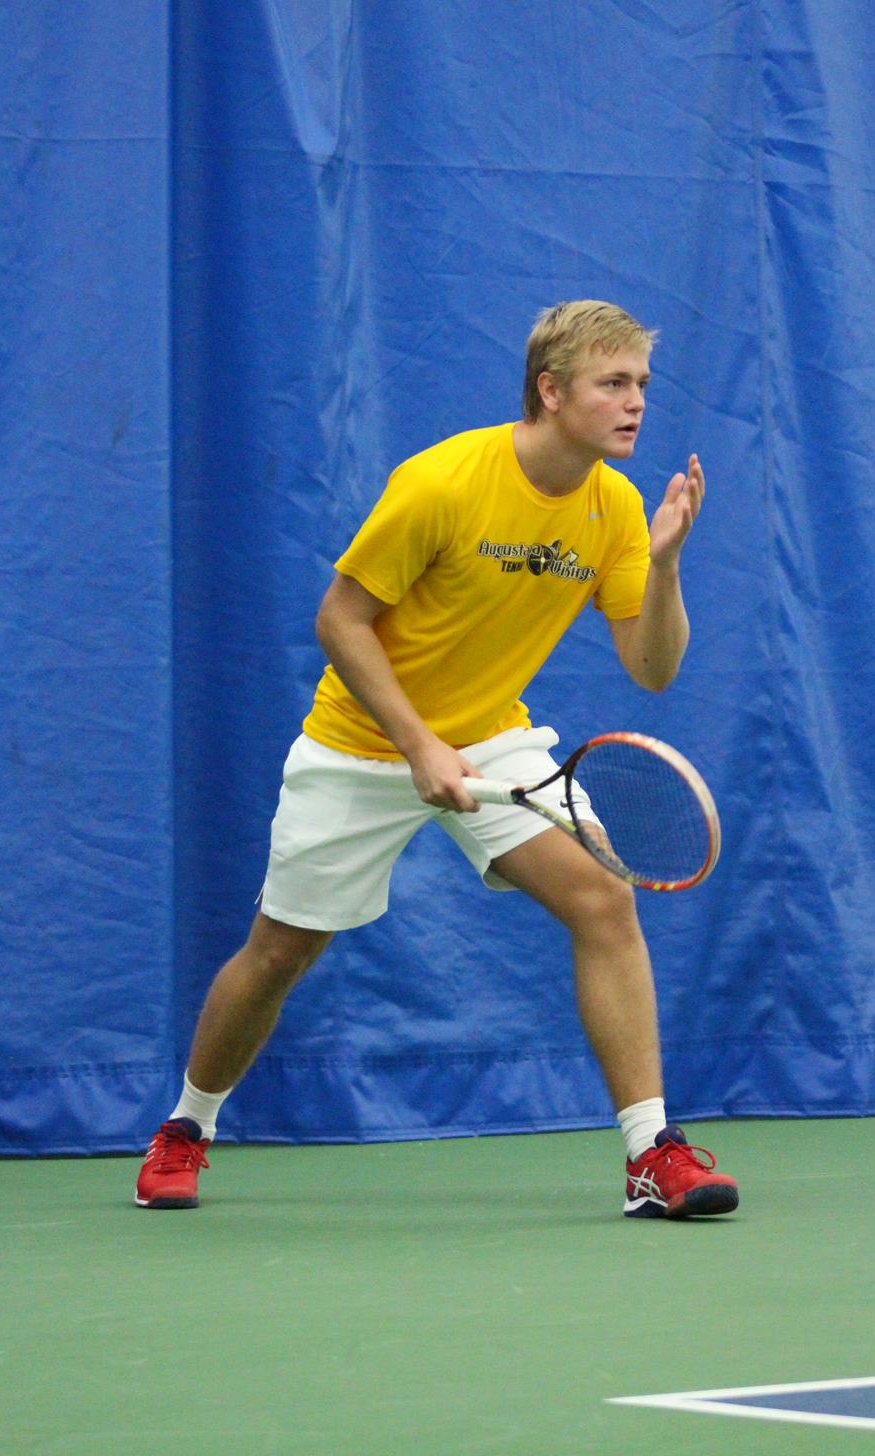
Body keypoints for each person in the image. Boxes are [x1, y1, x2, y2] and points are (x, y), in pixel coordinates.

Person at [135, 300, 739, 1220]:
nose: (636, 404)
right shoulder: (444, 482)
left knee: (602, 897)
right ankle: (187, 1127)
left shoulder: (615, 508)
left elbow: (652, 670)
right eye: (614, 384)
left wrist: (662, 566)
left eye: (642, 385)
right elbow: (339, 619)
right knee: (280, 954)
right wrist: (417, 744)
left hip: (494, 736)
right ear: (551, 390)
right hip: (361, 745)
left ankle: (651, 1155)